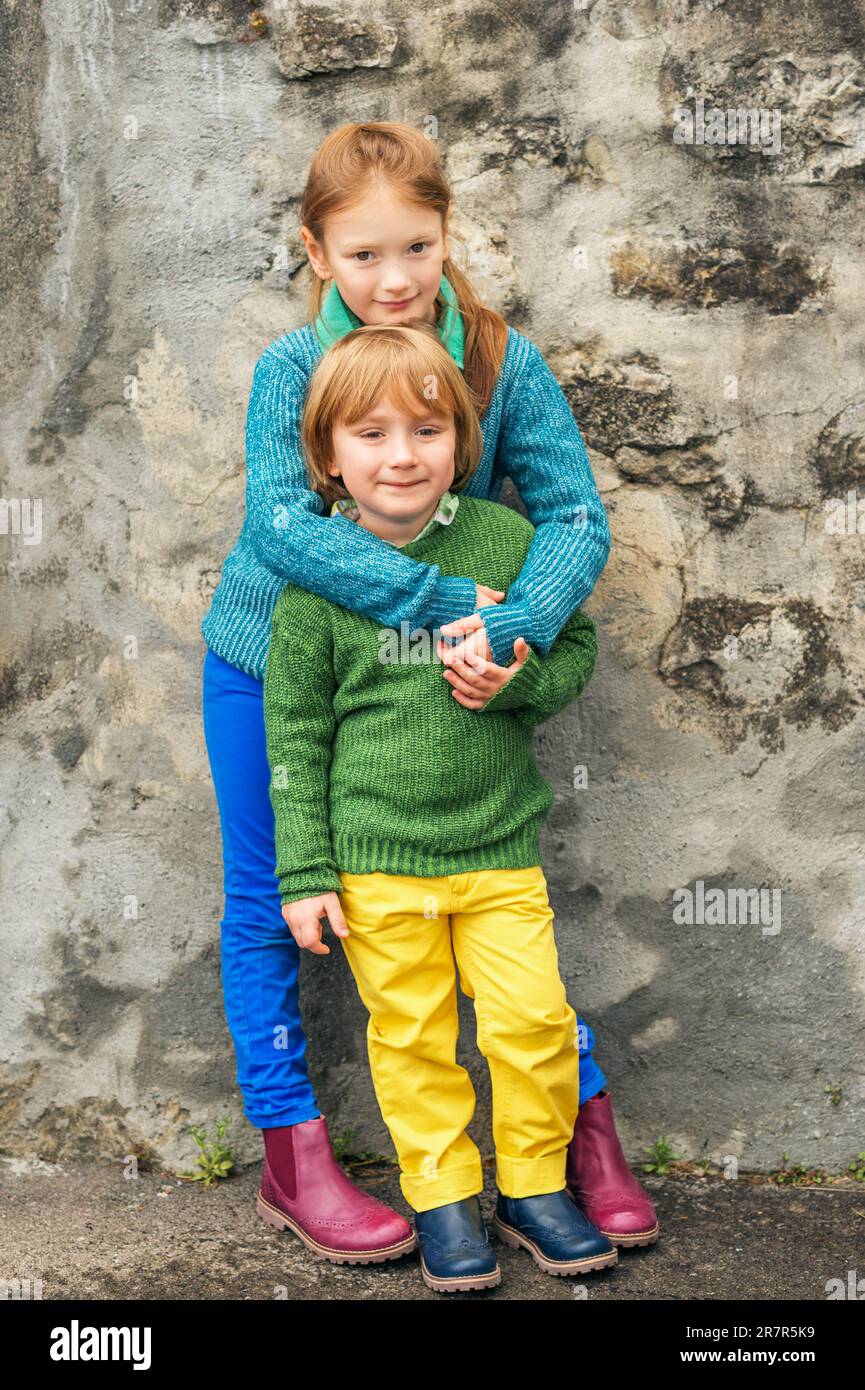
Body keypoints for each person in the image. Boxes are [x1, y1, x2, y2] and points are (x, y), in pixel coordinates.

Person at [200, 120, 657, 1264]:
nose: (393, 278)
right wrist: (437, 598)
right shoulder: (291, 372)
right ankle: (293, 1148)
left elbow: (573, 515)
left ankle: (573, 1135)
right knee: (273, 897)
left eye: (415, 245)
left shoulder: (501, 357)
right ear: (318, 254)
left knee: (505, 927)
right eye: (362, 255)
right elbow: (279, 524)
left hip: (448, 690)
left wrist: (506, 627)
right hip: (275, 660)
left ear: (448, 233)